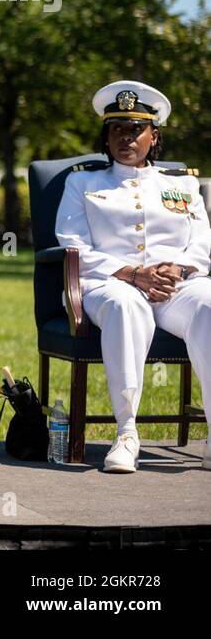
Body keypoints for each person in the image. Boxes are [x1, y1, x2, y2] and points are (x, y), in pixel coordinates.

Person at [55, 80, 210, 473]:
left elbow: (202, 244)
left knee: (209, 304)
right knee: (126, 306)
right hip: (107, 285)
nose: (126, 137)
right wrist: (133, 273)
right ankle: (126, 434)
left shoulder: (183, 185)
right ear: (106, 137)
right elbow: (73, 246)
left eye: (135, 129)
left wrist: (180, 268)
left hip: (175, 286)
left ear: (153, 135)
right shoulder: (82, 183)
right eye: (117, 130)